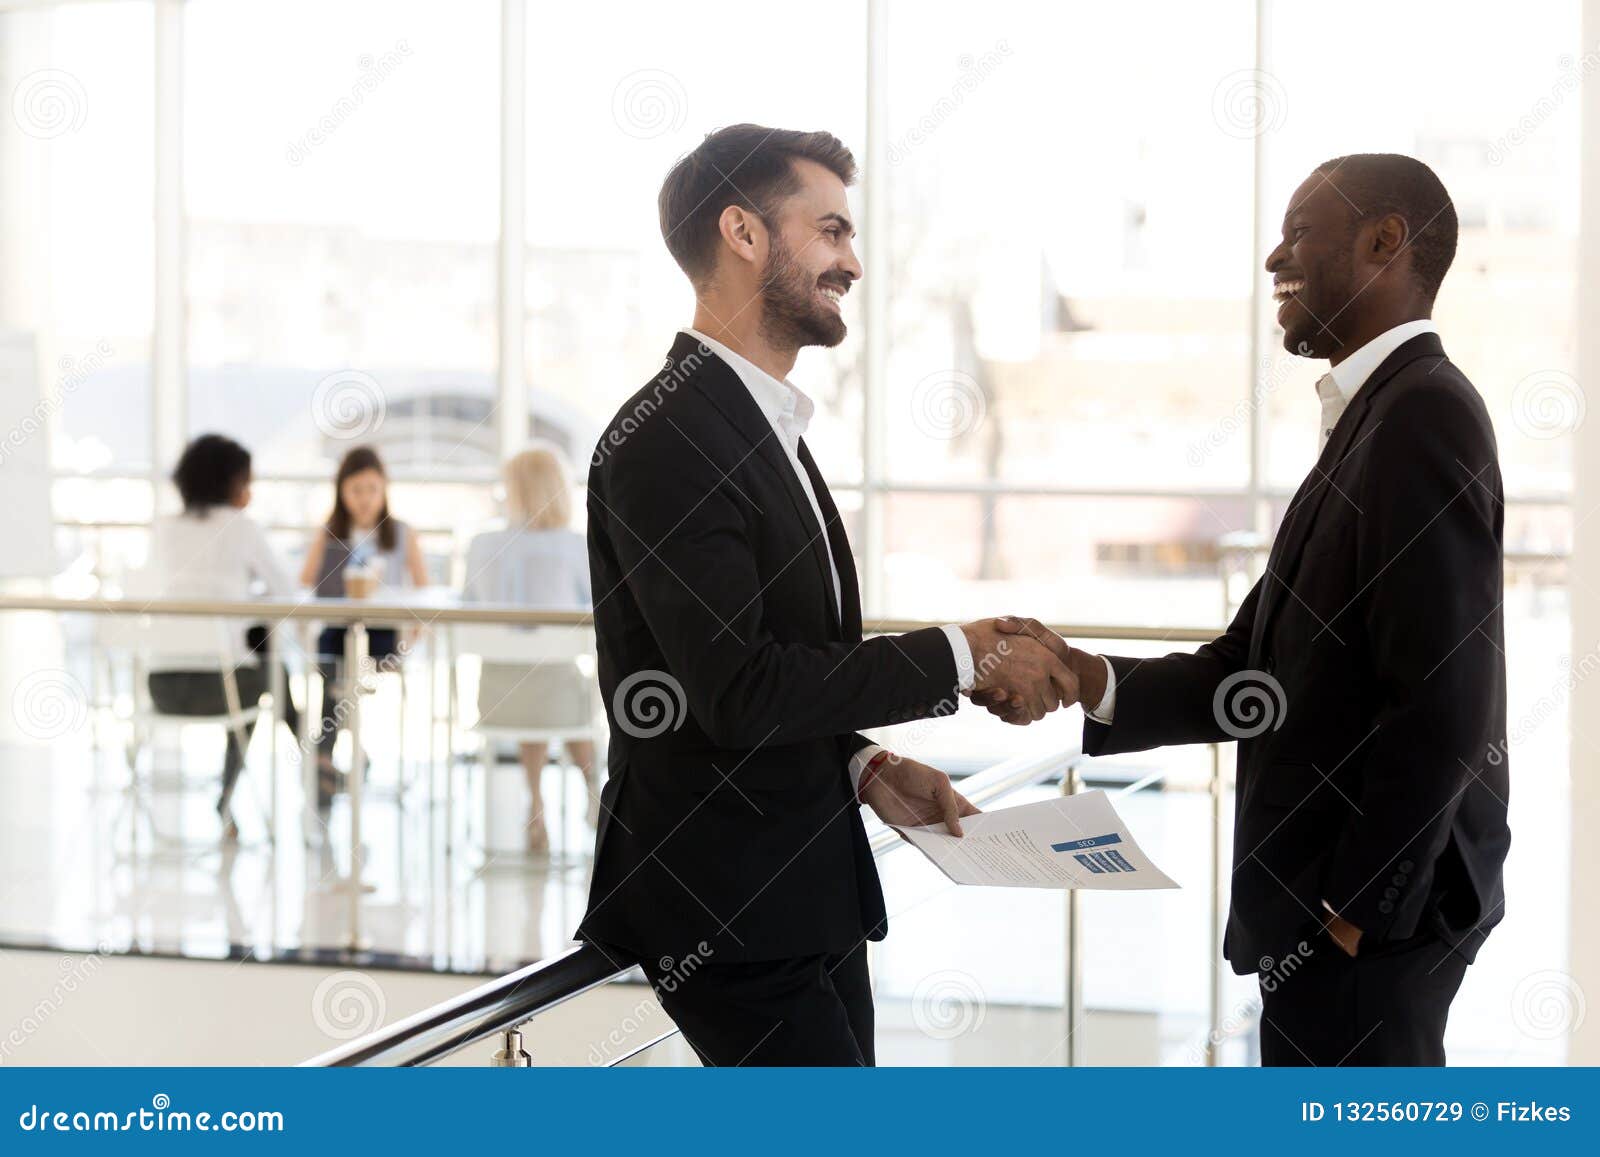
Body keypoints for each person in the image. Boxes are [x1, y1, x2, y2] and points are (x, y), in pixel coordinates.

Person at [979, 154, 1509, 1066]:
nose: (1275, 258)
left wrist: (1354, 912)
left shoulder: (1422, 416)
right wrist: (1083, 676)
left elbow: (1444, 703)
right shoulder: (1374, 416)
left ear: (1384, 242)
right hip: (1328, 919)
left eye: (1300, 232)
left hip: (1368, 933)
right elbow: (1254, 669)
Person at [577, 124, 1077, 1066]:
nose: (852, 262)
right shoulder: (670, 436)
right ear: (743, 233)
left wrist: (863, 766)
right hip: (728, 907)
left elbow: (773, 666)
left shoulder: (759, 425)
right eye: (832, 231)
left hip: (798, 890)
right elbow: (737, 688)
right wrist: (963, 653)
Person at [136, 433, 302, 839]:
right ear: (229, 482)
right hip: (222, 691)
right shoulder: (241, 528)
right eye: (246, 481)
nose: (250, 492)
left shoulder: (163, 530)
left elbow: (146, 594)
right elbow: (287, 593)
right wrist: (248, 601)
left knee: (248, 664)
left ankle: (310, 763)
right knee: (267, 669)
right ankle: (303, 766)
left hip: (160, 687)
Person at [462, 446, 598, 855]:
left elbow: (466, 606)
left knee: (530, 679)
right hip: (560, 700)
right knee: (562, 682)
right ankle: (593, 790)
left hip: (496, 698)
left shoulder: (482, 543)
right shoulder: (576, 545)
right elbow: (596, 608)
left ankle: (535, 804)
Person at [300, 445, 428, 805]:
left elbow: (423, 591)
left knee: (339, 676)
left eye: (372, 489)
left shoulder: (401, 533)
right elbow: (306, 584)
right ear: (342, 492)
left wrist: (412, 637)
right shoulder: (330, 532)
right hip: (340, 630)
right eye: (356, 490)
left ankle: (325, 758)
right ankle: (335, 756)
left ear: (384, 489)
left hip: (385, 634)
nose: (365, 499)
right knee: (334, 665)